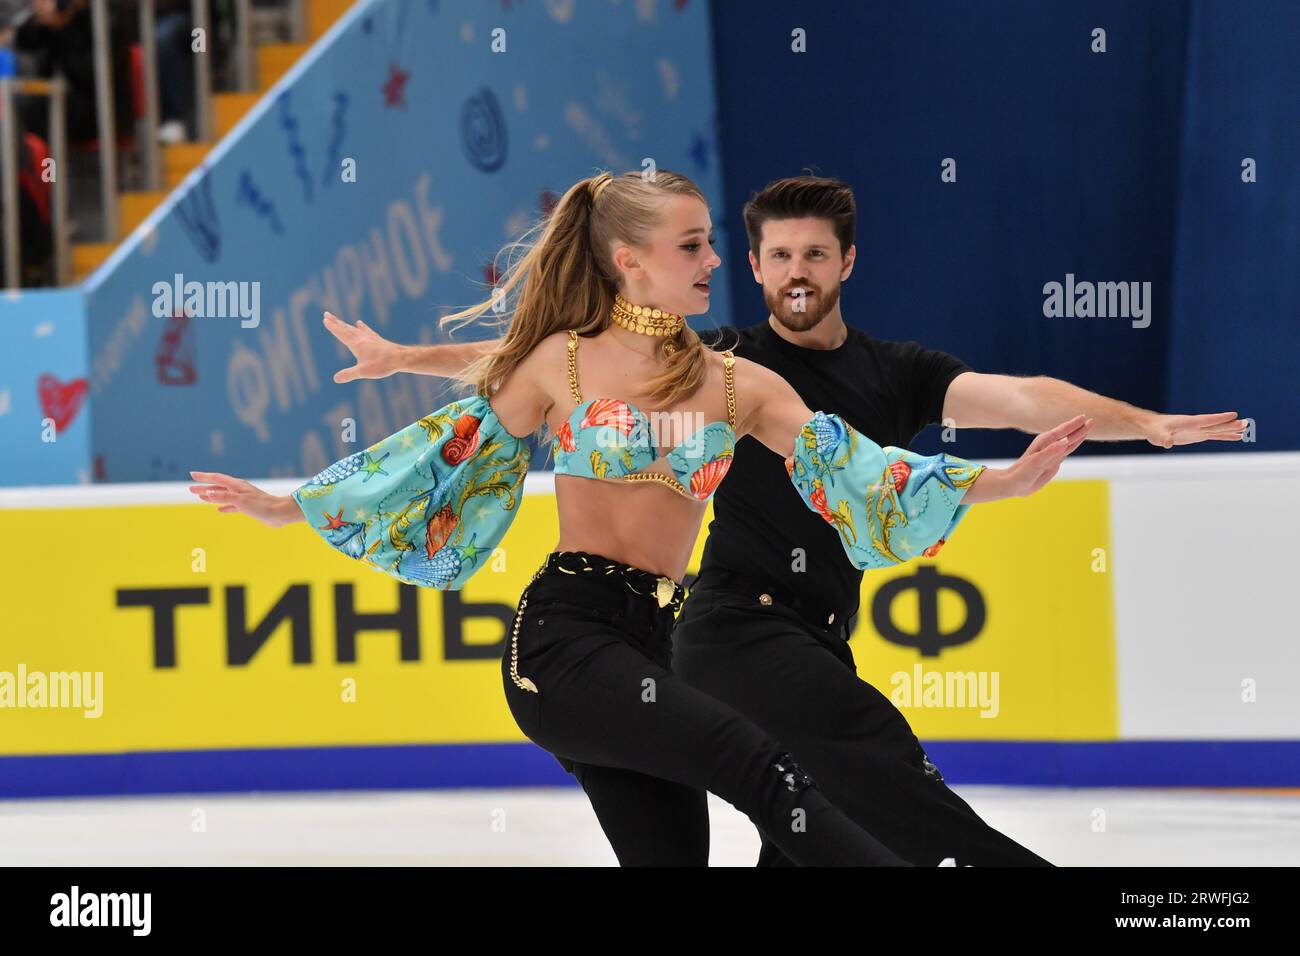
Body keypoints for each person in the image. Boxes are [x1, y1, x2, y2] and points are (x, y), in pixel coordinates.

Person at [189, 170, 1091, 866]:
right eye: (694, 245)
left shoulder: (737, 383)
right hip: (563, 643)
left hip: (653, 645)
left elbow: (862, 470)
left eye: (708, 245)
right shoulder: (563, 364)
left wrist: (1001, 484)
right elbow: (439, 458)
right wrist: (291, 506)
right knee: (762, 766)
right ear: (631, 261)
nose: (713, 262)